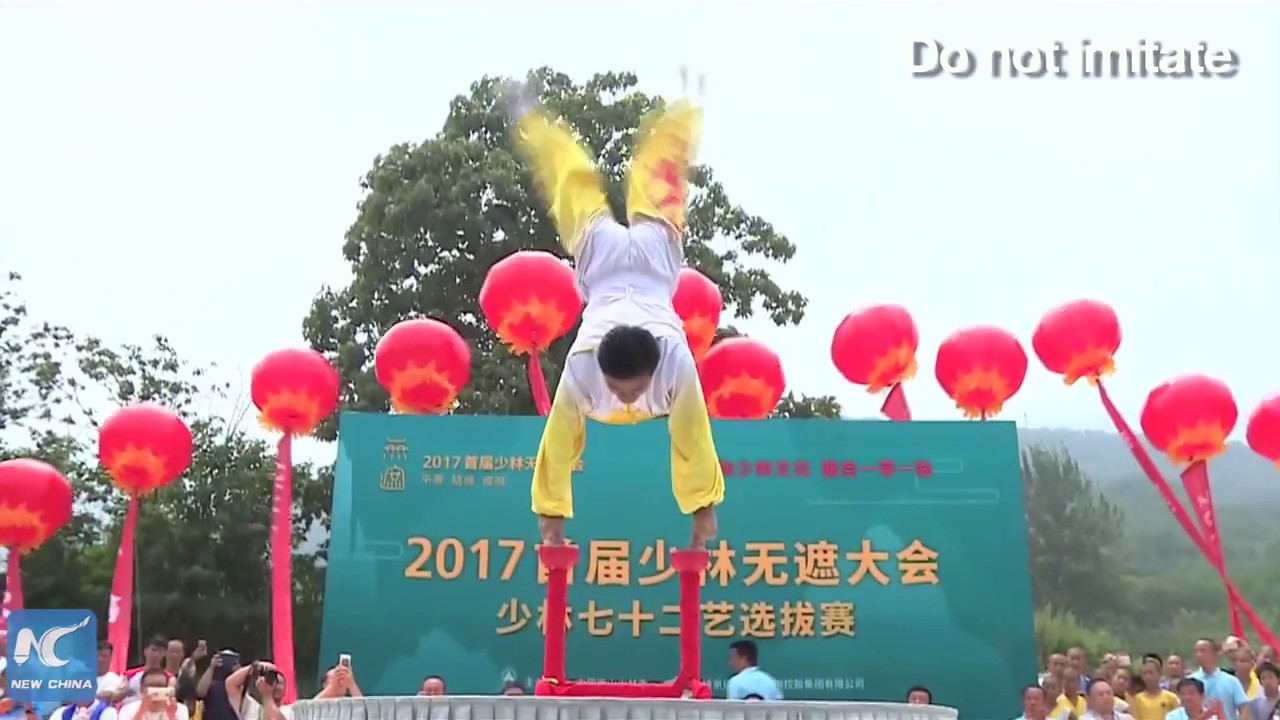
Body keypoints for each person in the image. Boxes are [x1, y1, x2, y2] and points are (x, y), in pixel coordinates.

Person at [501, 75, 723, 550]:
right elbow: (555, 448)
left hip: (607, 263)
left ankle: (687, 106)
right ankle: (534, 117)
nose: (624, 397)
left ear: (654, 367)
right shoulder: (584, 366)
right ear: (601, 368)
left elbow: (694, 437)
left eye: (632, 388)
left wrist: (705, 513)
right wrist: (550, 523)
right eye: (621, 389)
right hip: (651, 261)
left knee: (579, 180)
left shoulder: (673, 361)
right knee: (650, 176)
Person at [1190, 638, 1251, 720]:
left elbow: (1244, 707)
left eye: (1203, 651)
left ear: (1215, 653)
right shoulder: (1190, 681)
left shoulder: (1231, 681)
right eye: (1196, 652)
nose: (1199, 655)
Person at [119, 668, 189, 720]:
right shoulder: (127, 710)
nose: (155, 690)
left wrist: (172, 716)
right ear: (141, 689)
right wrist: (141, 712)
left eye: (160, 686)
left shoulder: (180, 709)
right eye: (151, 686)